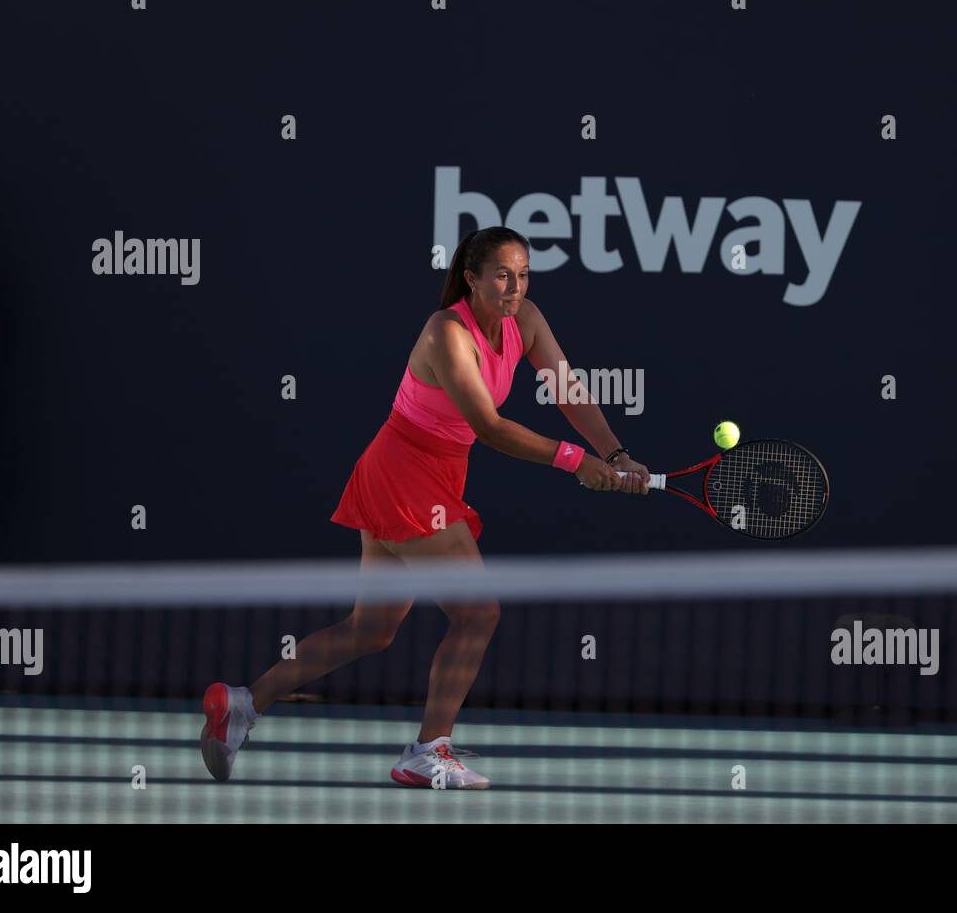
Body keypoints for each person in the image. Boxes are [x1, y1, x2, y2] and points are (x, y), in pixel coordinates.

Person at [202, 227, 649, 788]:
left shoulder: (526, 321)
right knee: (478, 612)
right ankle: (427, 749)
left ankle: (244, 704)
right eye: (503, 276)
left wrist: (616, 453)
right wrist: (574, 460)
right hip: (405, 473)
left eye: (524, 274)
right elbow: (487, 426)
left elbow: (568, 389)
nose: (515, 287)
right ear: (473, 279)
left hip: (419, 473)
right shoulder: (446, 333)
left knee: (371, 629)